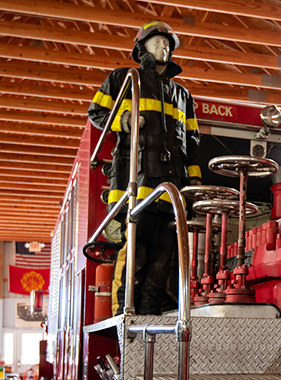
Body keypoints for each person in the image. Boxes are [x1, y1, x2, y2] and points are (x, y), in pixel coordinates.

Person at [88, 20, 203, 315]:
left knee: (162, 263)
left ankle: (148, 316)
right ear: (141, 48)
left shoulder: (183, 96)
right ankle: (124, 315)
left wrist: (194, 187)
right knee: (134, 256)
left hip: (171, 190)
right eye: (156, 42)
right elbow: (96, 113)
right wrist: (124, 121)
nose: (163, 47)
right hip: (134, 186)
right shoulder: (122, 79)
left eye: (168, 44)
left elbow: (191, 143)